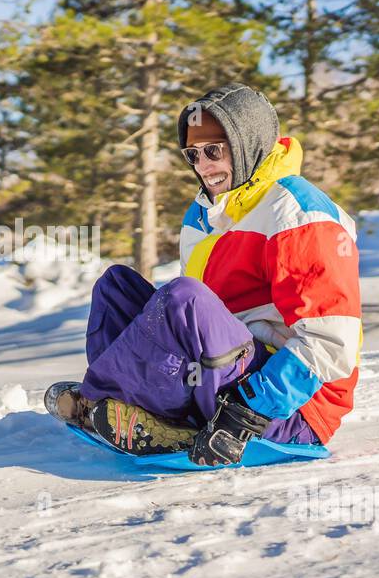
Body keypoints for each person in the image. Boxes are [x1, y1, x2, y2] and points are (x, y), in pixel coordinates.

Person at [46, 84, 361, 465]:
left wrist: (245, 414)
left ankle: (112, 405)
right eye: (193, 154)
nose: (203, 165)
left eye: (214, 150)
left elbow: (331, 343)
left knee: (184, 298)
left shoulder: (298, 213)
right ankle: (118, 407)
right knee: (116, 287)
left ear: (247, 143)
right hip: (225, 374)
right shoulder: (203, 215)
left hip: (289, 408)